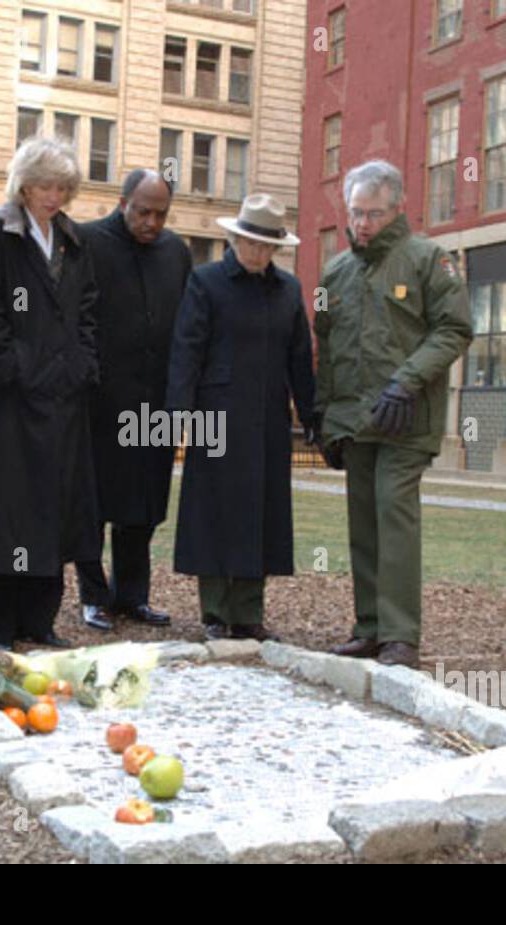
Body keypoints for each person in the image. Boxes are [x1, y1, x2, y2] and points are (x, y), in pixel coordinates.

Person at [319, 160, 473, 669]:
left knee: (394, 514)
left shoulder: (430, 260)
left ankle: (401, 635)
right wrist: (324, 418)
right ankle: (369, 628)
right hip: (355, 420)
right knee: (362, 521)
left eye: (374, 214)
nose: (362, 224)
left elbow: (454, 329)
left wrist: (406, 382)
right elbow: (327, 345)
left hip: (408, 418)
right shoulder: (336, 271)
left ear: (399, 207)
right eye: (356, 213)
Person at [0, 137, 100, 650]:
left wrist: (81, 364)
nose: (52, 196)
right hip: (9, 400)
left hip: (62, 397)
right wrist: (12, 365)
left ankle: (39, 621)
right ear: (24, 184)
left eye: (61, 187)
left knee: (54, 510)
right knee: (5, 510)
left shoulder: (73, 240)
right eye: (43, 185)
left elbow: (87, 311)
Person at [165, 193, 317, 640]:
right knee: (214, 511)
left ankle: (248, 613)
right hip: (215, 417)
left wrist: (310, 415)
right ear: (233, 239)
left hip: (268, 420)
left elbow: (299, 356)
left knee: (261, 513)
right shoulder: (205, 282)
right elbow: (186, 350)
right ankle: (215, 612)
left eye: (267, 246)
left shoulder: (288, 289)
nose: (258, 253)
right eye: (250, 243)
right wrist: (178, 413)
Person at [75, 169, 192, 632]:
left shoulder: (176, 252)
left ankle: (133, 595)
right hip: (102, 399)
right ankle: (93, 595)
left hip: (156, 400)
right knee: (94, 503)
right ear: (122, 202)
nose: (151, 222)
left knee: (144, 504)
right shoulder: (87, 243)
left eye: (160, 214)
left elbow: (186, 324)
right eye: (142, 211)